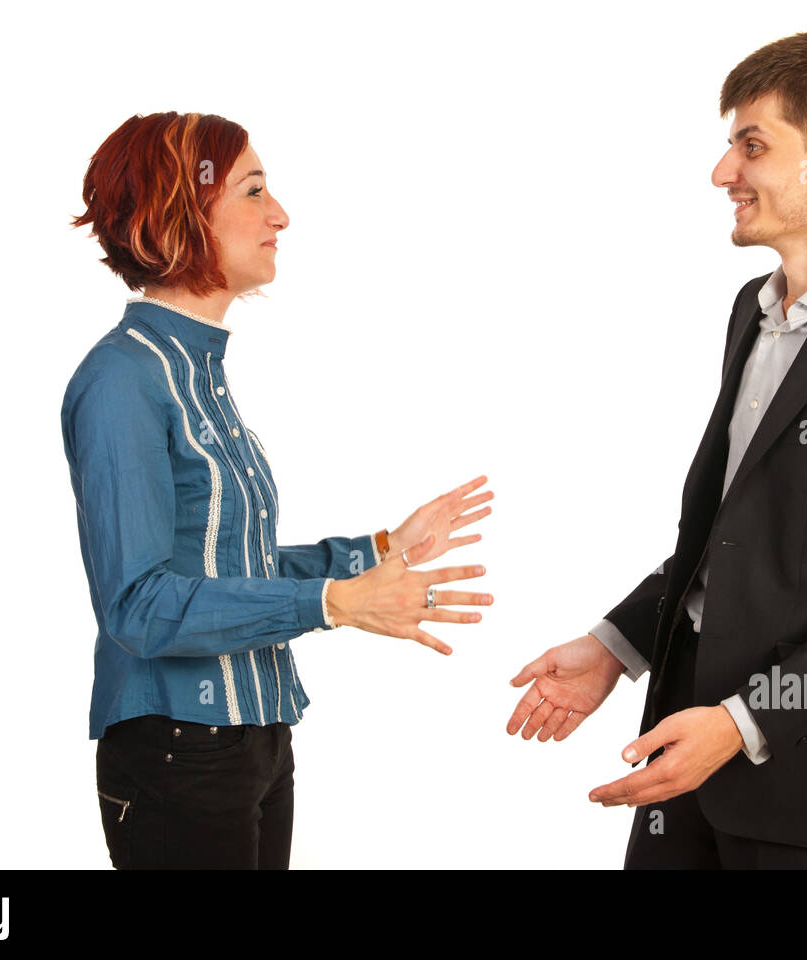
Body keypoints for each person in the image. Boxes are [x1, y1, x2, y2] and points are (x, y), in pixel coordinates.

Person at [508, 29, 807, 869]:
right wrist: (618, 647)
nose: (722, 172)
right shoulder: (752, 309)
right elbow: (731, 536)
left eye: (752, 145)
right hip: (682, 744)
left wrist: (744, 724)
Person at [61, 111, 494, 869]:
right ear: (180, 213)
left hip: (255, 745)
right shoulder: (122, 381)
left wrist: (378, 551)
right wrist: (331, 604)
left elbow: (225, 567)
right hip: (176, 753)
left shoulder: (198, 373)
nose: (280, 215)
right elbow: (137, 604)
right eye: (253, 190)